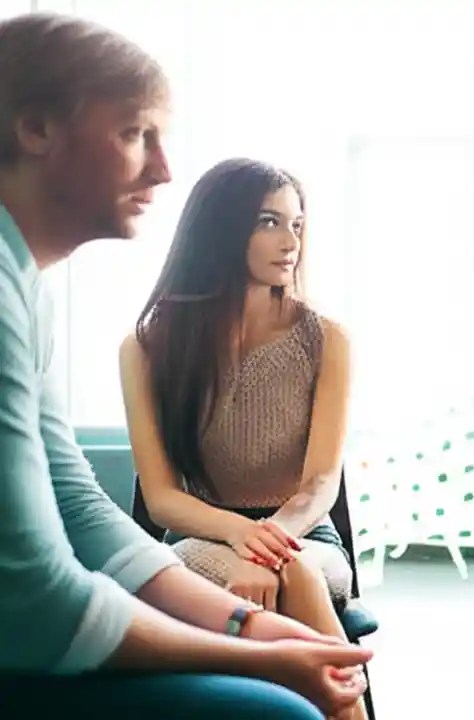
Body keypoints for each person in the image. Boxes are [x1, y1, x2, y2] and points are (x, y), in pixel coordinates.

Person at [0, 13, 370, 719]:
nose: (164, 168)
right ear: (36, 129)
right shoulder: (101, 329)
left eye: (296, 222)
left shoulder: (26, 290)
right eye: (136, 133)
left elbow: (79, 508)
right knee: (282, 709)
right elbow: (37, 603)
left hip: (287, 542)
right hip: (47, 632)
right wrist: (258, 653)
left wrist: (252, 627)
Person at [119, 157, 367, 720]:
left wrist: (269, 543)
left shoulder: (327, 339)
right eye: (268, 222)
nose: (290, 242)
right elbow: (161, 500)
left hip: (305, 537)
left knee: (296, 571)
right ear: (221, 229)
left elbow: (320, 484)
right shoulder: (146, 348)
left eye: (297, 224)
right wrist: (244, 538)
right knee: (214, 571)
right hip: (201, 535)